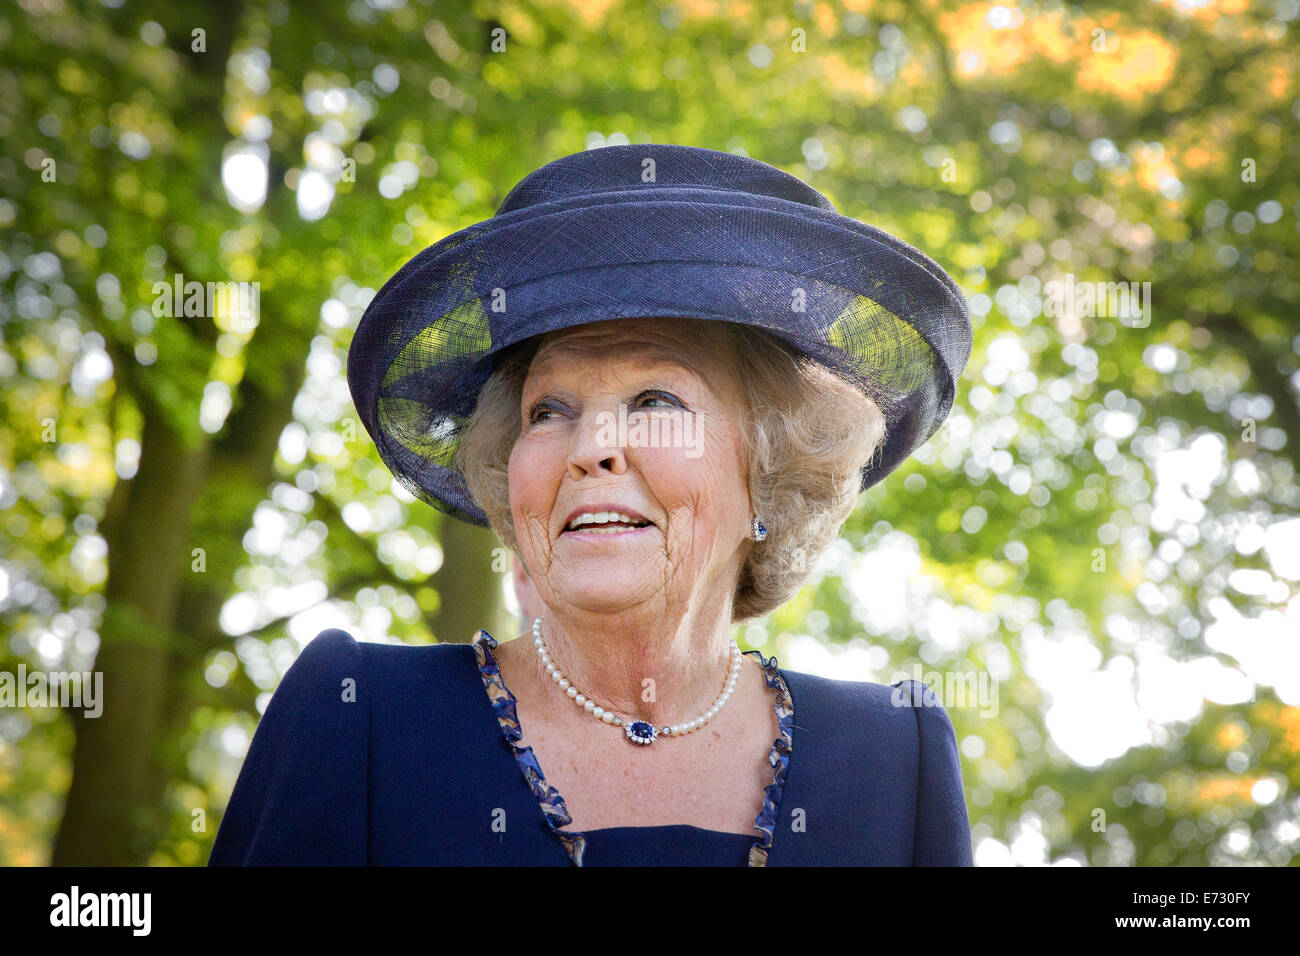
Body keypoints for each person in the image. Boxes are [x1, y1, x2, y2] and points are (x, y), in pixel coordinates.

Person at [209, 143, 975, 866]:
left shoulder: (890, 756)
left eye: (654, 398)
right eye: (549, 411)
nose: (588, 448)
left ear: (769, 474)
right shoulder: (359, 719)